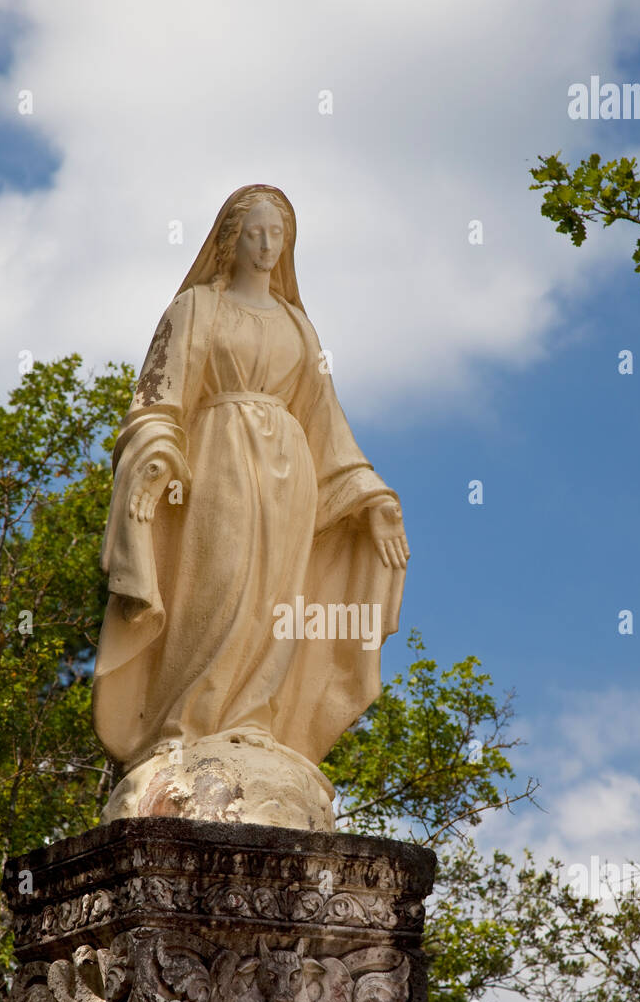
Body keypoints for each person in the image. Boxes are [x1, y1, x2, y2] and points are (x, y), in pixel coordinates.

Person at [93, 184, 409, 810]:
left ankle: (255, 722)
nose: (268, 246)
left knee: (277, 600)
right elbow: (157, 401)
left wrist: (372, 497)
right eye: (255, 233)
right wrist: (158, 455)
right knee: (218, 585)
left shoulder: (299, 326)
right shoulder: (195, 309)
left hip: (288, 478)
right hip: (217, 463)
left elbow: (328, 424)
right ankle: (186, 723)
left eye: (279, 235)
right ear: (230, 239)